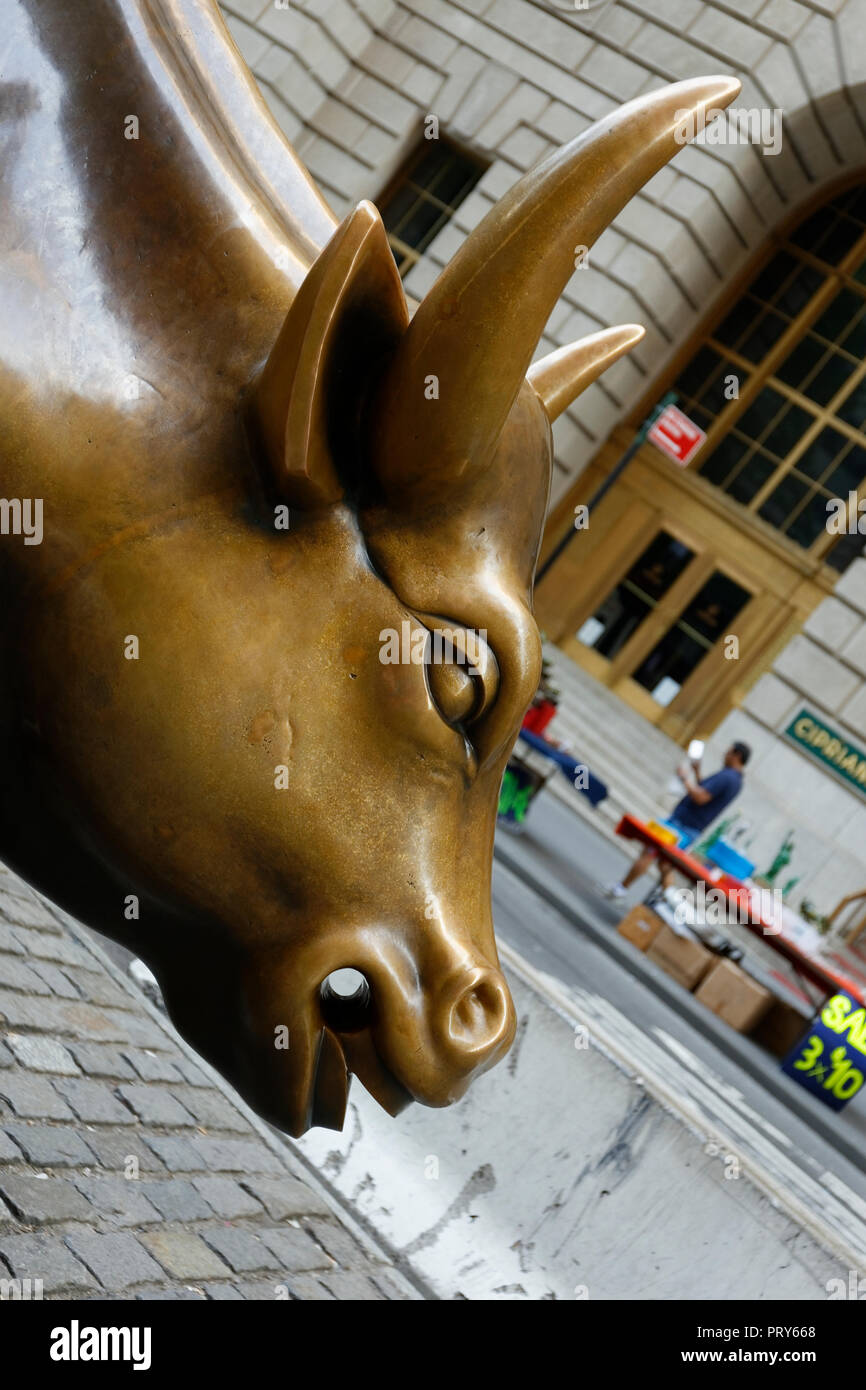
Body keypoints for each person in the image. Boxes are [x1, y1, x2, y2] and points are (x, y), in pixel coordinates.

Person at [605, 741, 751, 899]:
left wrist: (684, 779)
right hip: (691, 826)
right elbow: (707, 792)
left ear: (737, 755)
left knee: (650, 852)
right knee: (665, 863)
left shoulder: (727, 776)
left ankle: (621, 888)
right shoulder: (736, 781)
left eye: (728, 752)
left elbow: (700, 797)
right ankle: (669, 903)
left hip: (683, 824)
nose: (724, 754)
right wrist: (697, 773)